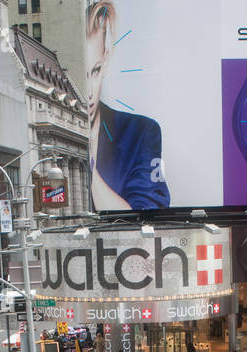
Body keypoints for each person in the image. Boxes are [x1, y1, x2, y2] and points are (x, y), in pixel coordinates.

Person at [86, 0, 170, 210]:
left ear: (105, 62)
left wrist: (89, 168)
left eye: (94, 72)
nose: (88, 92)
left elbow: (147, 213)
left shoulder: (140, 133)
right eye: (80, 75)